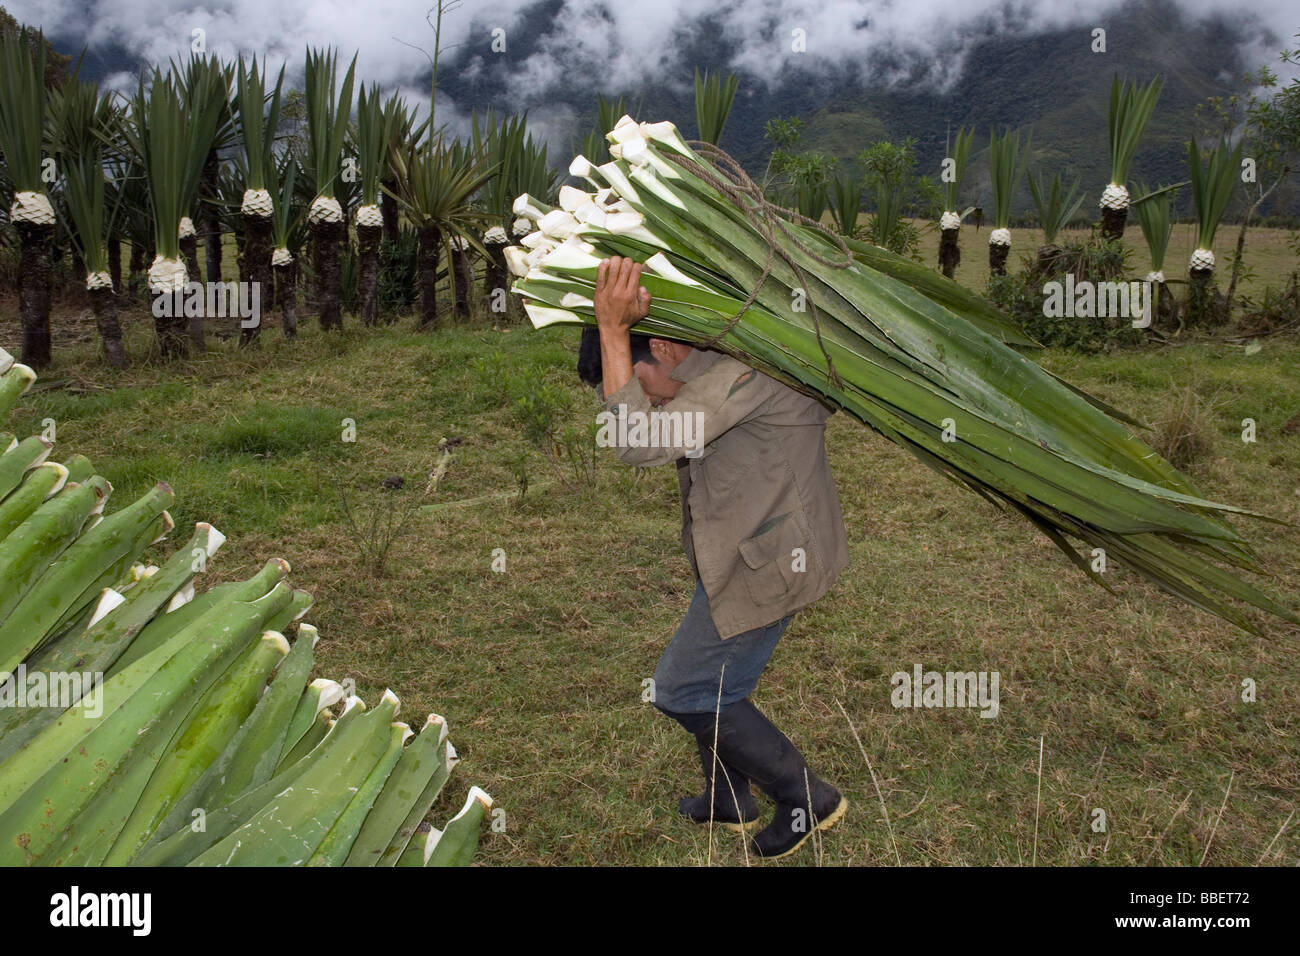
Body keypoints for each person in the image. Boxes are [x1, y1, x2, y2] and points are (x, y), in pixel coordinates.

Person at [579, 255, 851, 859]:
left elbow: (636, 443)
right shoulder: (716, 371)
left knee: (687, 689)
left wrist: (613, 329)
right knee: (721, 680)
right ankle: (728, 795)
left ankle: (808, 798)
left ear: (665, 347)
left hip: (773, 562)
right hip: (745, 555)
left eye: (636, 386)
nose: (642, 404)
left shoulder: (742, 375)